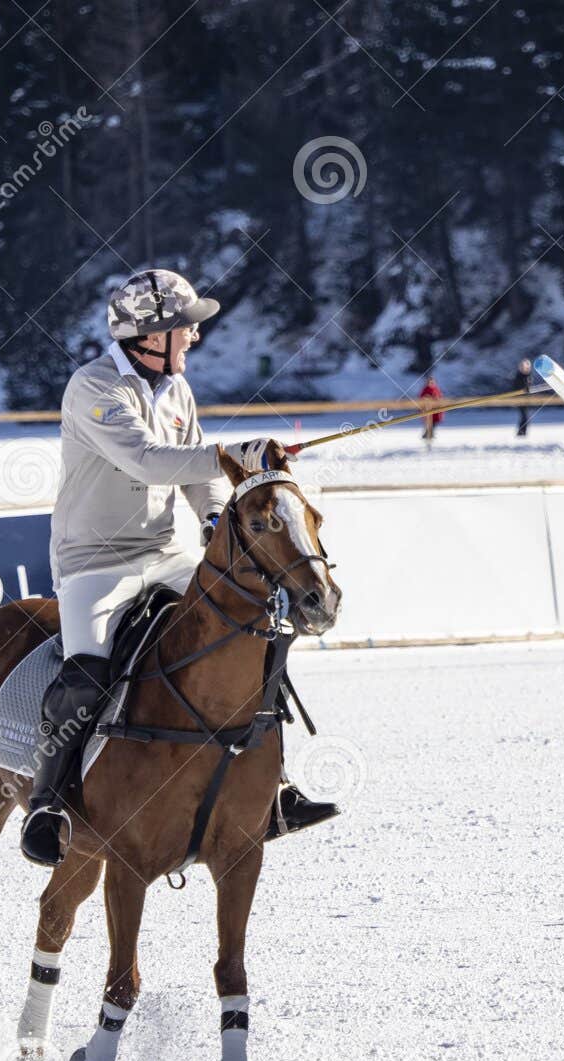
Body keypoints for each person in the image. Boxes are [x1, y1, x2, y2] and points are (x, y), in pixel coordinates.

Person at [21, 268, 337, 867]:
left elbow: (196, 481)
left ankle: (272, 788)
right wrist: (229, 453)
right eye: (185, 329)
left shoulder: (178, 391)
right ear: (150, 334)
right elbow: (148, 461)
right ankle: (48, 802)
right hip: (96, 563)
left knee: (255, 634)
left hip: (169, 554)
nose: (193, 338)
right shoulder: (93, 388)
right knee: (87, 672)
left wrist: (217, 517)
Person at [419, 373, 444, 446]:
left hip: (436, 412)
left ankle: (429, 435)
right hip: (427, 411)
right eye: (429, 382)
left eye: (432, 382)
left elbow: (439, 398)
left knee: (434, 424)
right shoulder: (425, 389)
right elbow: (422, 398)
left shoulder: (436, 389)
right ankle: (427, 435)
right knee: (428, 424)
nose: (431, 383)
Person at [513, 359, 534, 437]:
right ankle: (521, 432)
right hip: (520, 399)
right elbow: (516, 387)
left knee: (525, 416)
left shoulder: (529, 376)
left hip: (526, 399)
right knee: (524, 416)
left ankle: (522, 431)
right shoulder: (519, 376)